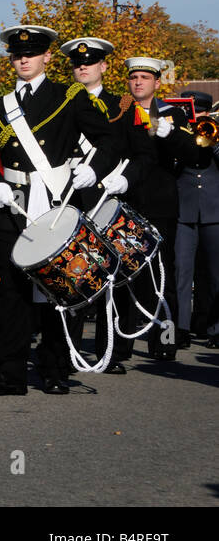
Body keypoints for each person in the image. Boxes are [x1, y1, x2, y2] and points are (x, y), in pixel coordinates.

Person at [0, 25, 121, 396]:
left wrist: (93, 170)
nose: (23, 59)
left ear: (47, 57)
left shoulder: (68, 95)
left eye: (32, 53)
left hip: (57, 201)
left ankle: (55, 368)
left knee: (57, 288)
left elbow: (110, 139)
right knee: (13, 291)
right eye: (18, 55)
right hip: (13, 203)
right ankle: (11, 373)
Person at [59, 37, 147, 372]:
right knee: (72, 275)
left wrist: (127, 180)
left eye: (91, 62)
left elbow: (143, 155)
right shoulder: (59, 102)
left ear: (103, 66)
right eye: (77, 63)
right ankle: (67, 350)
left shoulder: (123, 105)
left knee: (114, 277)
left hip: (109, 197)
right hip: (68, 196)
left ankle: (110, 350)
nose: (82, 67)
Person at [123, 58, 193, 360]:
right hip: (128, 204)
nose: (138, 82)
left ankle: (165, 341)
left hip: (161, 204)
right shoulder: (122, 114)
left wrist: (172, 135)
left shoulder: (172, 114)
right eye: (134, 77)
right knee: (127, 275)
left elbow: (193, 153)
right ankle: (121, 343)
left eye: (144, 77)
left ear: (156, 83)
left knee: (162, 276)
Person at [171, 89, 219, 350]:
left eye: (200, 112)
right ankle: (181, 329)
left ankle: (215, 328)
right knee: (182, 270)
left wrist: (213, 139)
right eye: (192, 112)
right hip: (184, 210)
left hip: (214, 210)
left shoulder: (216, 130)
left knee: (215, 274)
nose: (196, 117)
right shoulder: (178, 133)